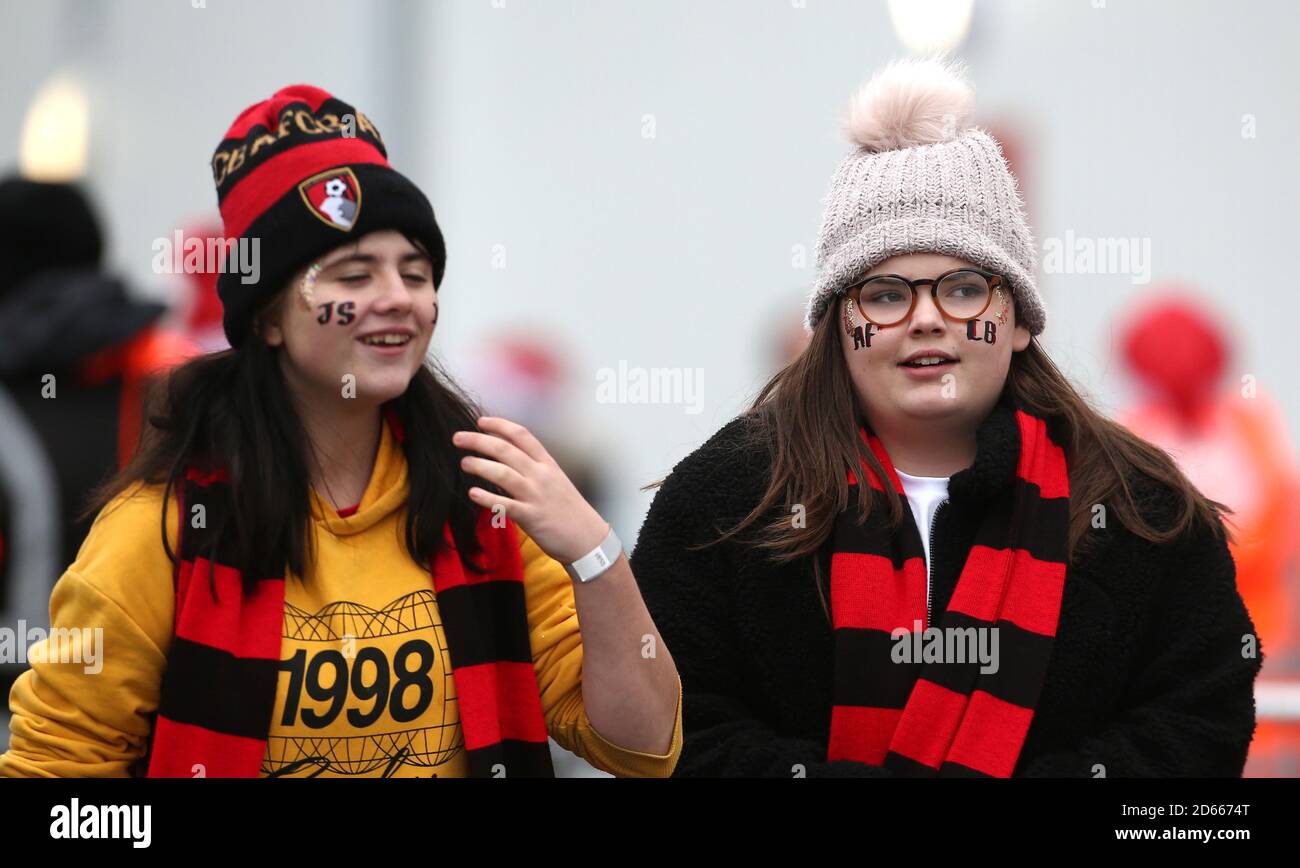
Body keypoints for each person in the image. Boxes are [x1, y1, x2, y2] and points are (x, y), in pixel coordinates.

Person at [0, 84, 680, 778]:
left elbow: (644, 747)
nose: (397, 297)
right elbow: (57, 780)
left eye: (415, 273)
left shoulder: (486, 504)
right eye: (354, 274)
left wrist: (597, 553)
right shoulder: (164, 527)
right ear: (266, 317)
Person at [630, 57, 1261, 777]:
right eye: (886, 294)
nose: (927, 319)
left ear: (1018, 318)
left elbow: (1196, 731)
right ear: (838, 324)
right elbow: (679, 729)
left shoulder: (1141, 508)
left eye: (964, 288)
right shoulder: (728, 500)